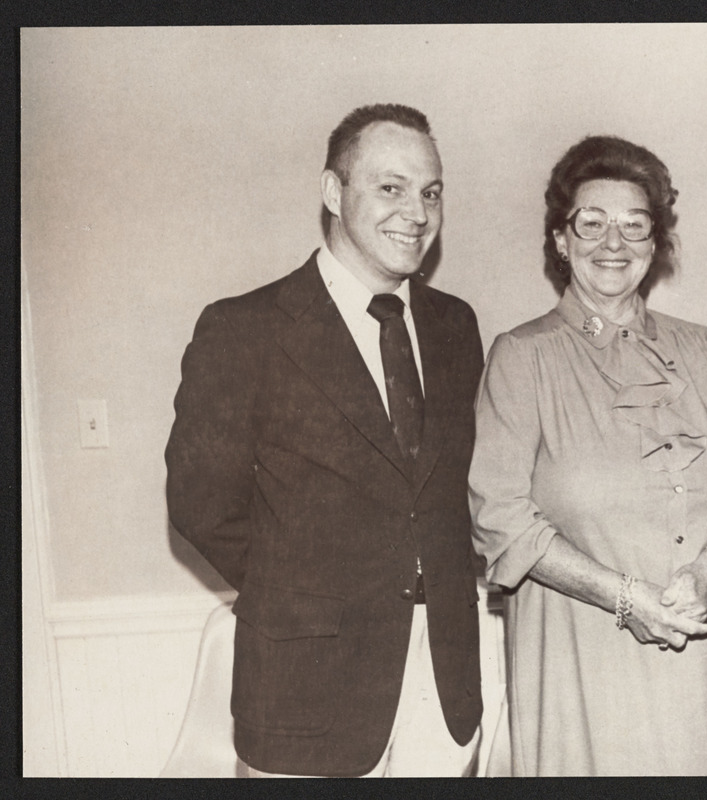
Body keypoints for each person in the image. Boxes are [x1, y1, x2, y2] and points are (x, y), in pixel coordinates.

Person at [165, 103, 484, 777]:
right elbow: (201, 504)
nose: (416, 213)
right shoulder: (245, 329)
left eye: (430, 193)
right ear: (333, 193)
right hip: (305, 691)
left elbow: (451, 493)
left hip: (443, 685)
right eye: (391, 187)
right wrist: (306, 598)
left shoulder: (455, 326)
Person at [468, 135, 707, 776]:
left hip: (695, 661)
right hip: (579, 658)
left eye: (634, 225)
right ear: (561, 240)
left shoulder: (704, 350)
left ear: (655, 243)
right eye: (591, 223)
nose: (612, 243)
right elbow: (500, 521)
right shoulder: (521, 356)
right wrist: (623, 597)